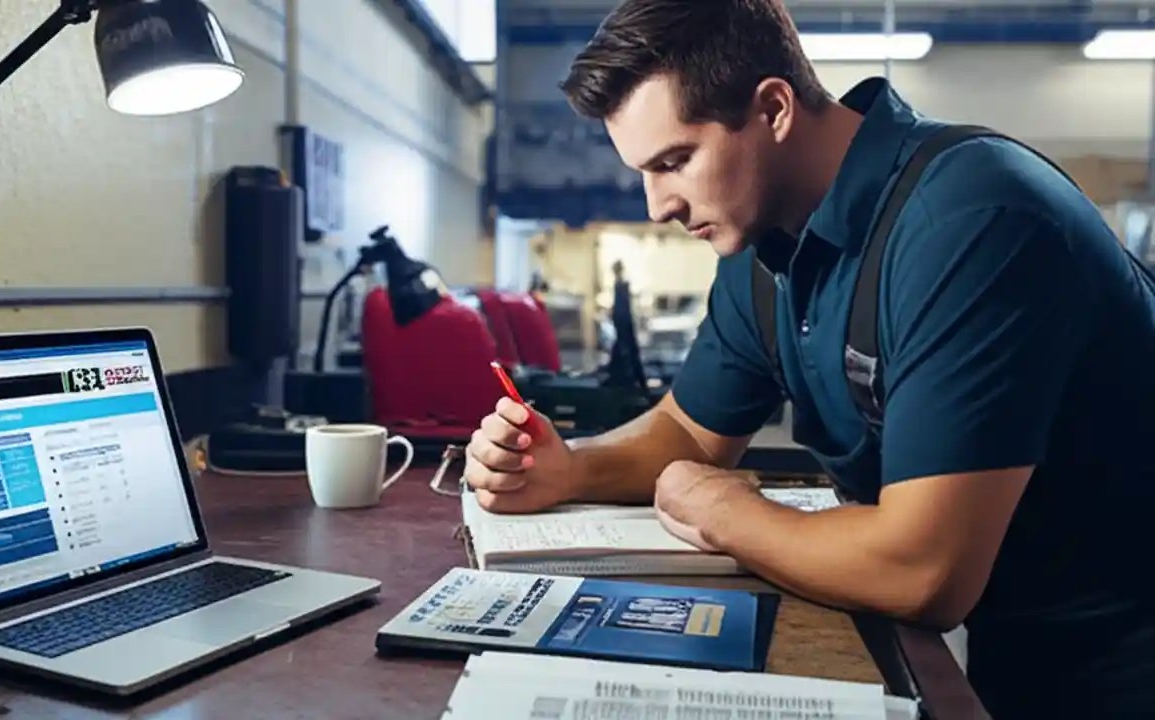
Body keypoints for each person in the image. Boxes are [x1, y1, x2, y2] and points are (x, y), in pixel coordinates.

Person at [463, 1, 1155, 716]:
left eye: (674, 162)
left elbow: (926, 569)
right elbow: (691, 433)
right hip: (1028, 639)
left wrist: (728, 512)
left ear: (773, 108)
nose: (657, 205)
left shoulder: (972, 220)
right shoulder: (762, 247)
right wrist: (570, 466)